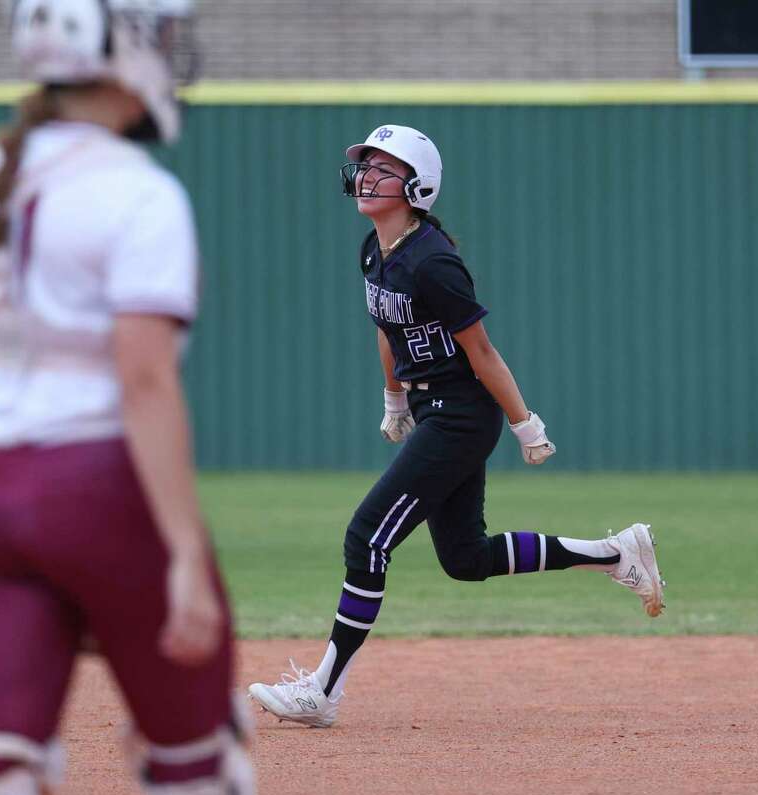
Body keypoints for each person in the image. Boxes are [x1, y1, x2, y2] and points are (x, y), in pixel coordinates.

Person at [0, 2, 254, 795]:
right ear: (117, 47)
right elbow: (143, 379)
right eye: (157, 35)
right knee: (200, 764)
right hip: (100, 488)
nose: (169, 53)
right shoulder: (137, 193)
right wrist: (181, 558)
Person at [247, 124, 665, 728]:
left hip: (461, 414)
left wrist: (525, 424)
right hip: (430, 410)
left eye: (383, 168)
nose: (367, 175)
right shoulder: (374, 249)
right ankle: (612, 553)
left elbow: (483, 352)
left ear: (417, 186)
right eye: (365, 165)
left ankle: (322, 691)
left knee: (367, 537)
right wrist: (394, 399)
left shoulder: (435, 262)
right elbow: (387, 329)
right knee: (466, 558)